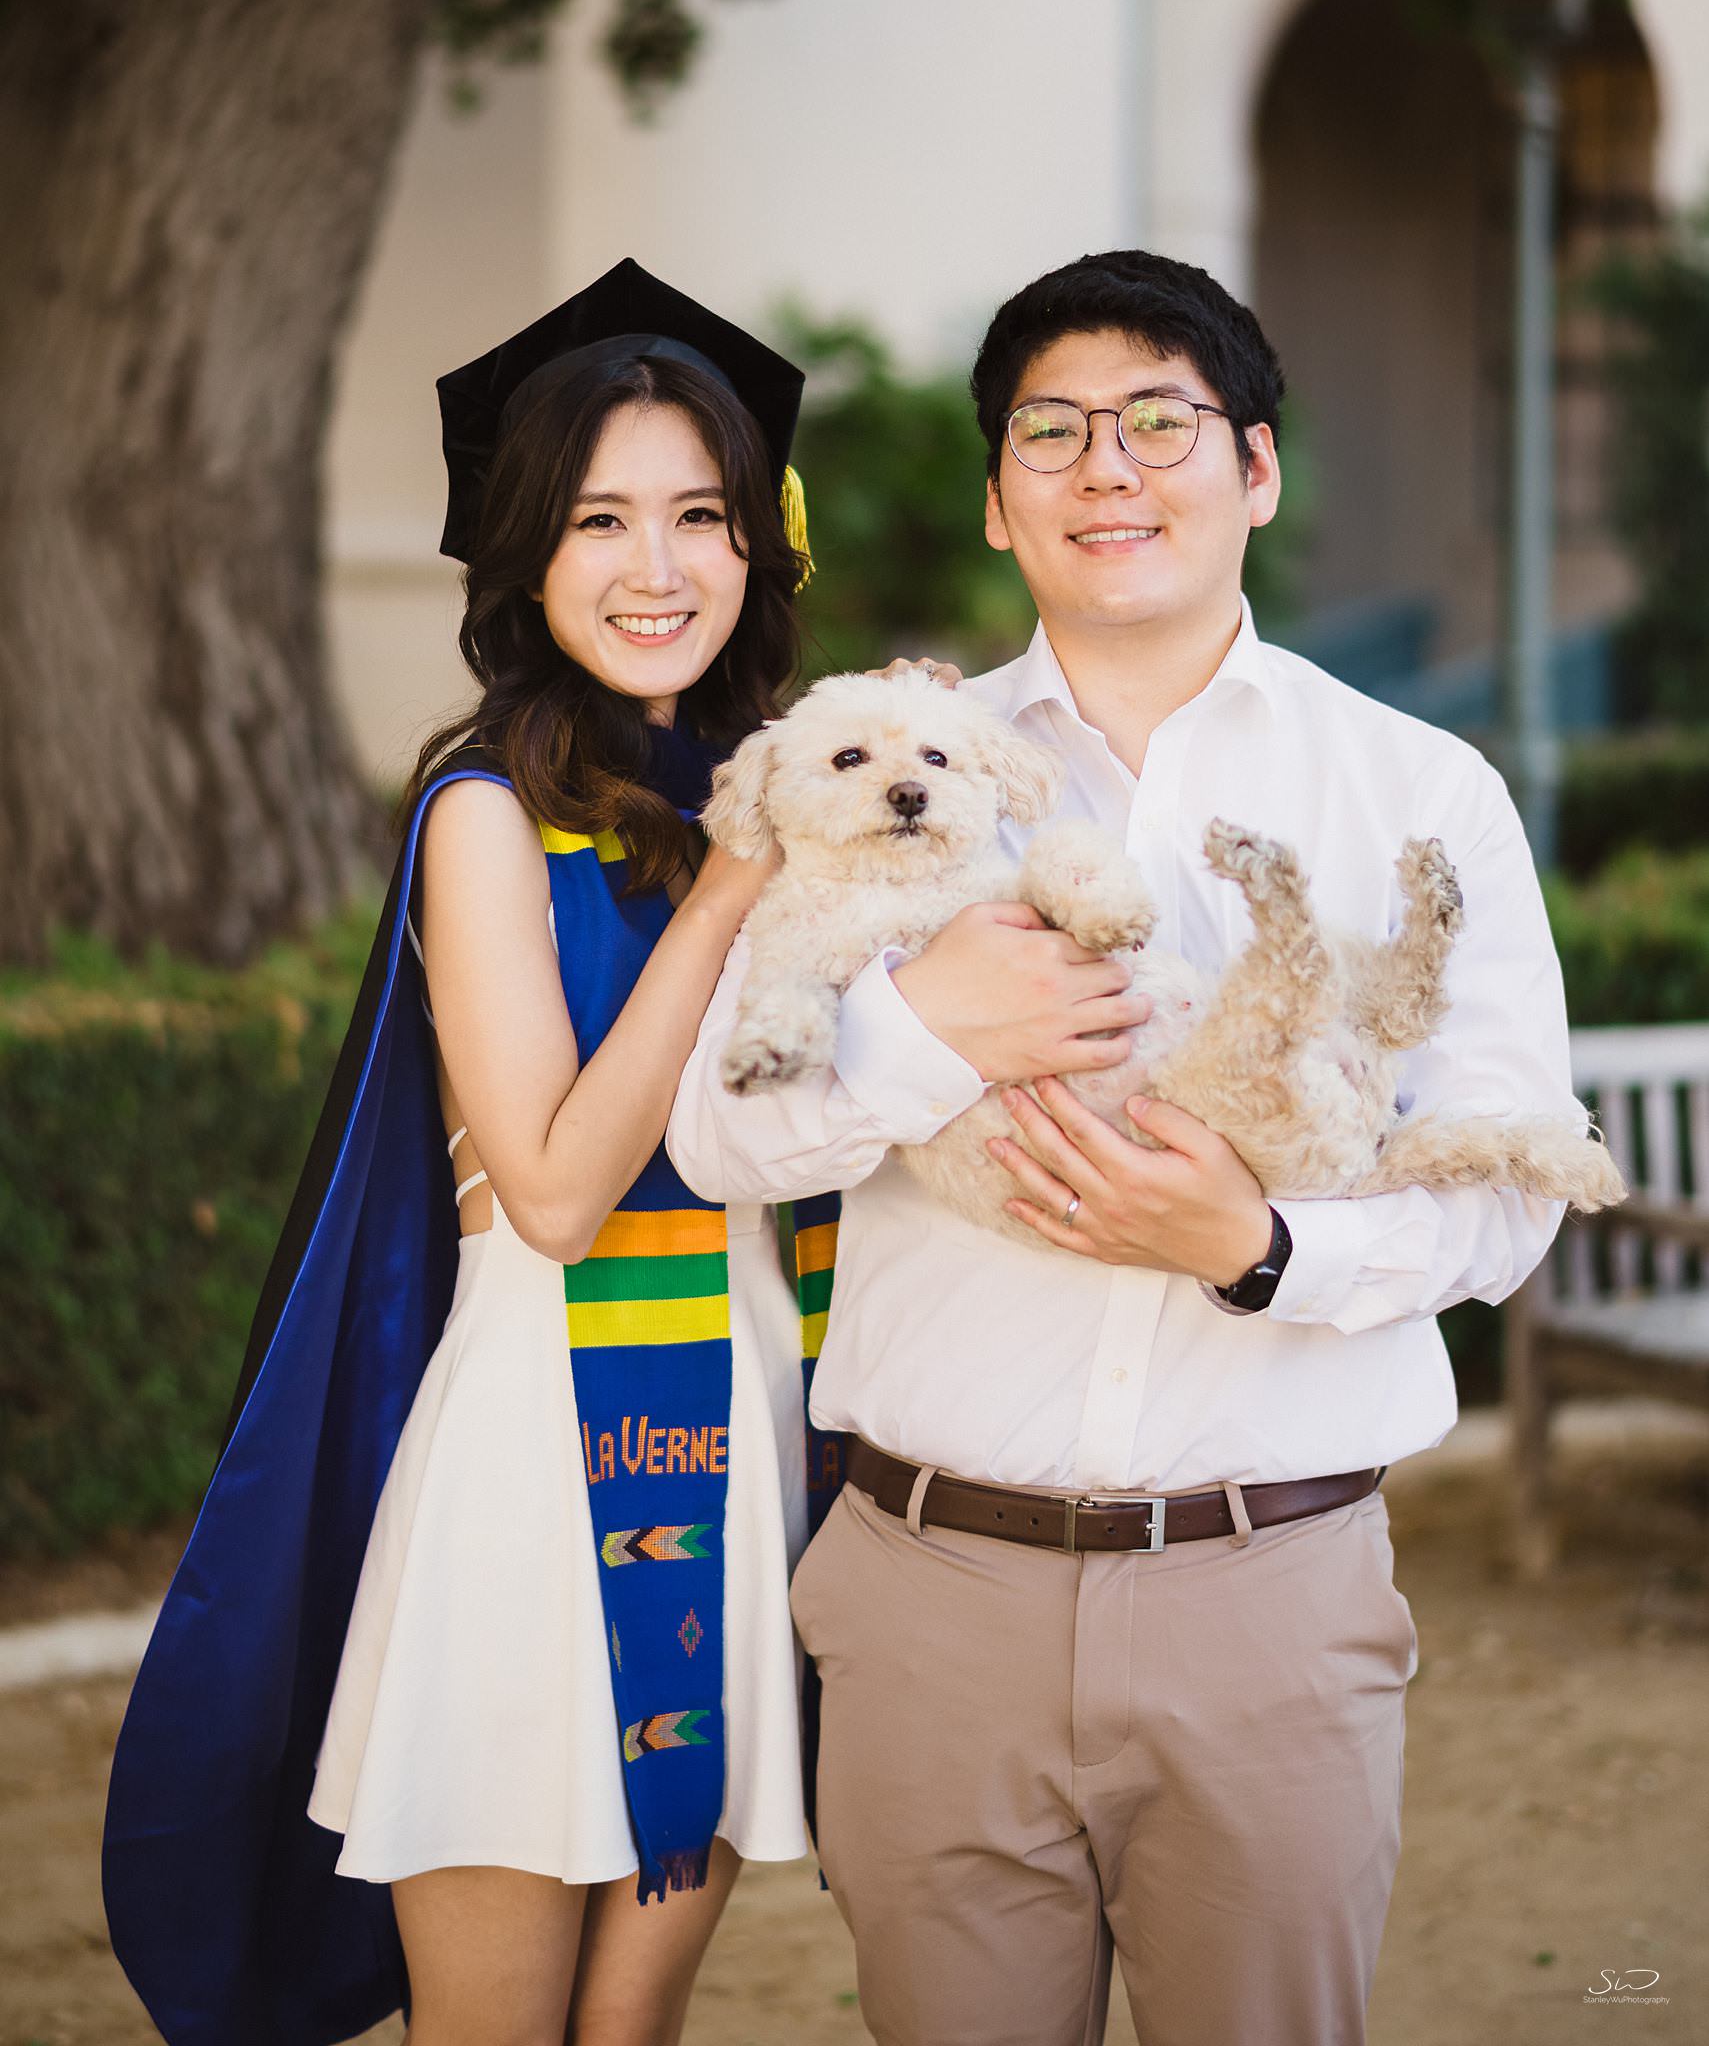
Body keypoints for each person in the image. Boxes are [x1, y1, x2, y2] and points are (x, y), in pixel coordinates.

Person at [668, 249, 1589, 2046]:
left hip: (1269, 1593)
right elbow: (716, 1138)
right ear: (997, 501)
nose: (1109, 467)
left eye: (1161, 421)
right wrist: (934, 1037)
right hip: (932, 1586)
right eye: (1054, 431)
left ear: (1252, 469)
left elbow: (1506, 1176)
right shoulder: (877, 761)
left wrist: (1252, 1245)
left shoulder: (1415, 790)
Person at [104, 260, 838, 2046]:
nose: (655, 567)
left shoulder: (807, 779)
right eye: (598, 519)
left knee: (632, 2036)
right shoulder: (486, 813)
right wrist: (739, 871)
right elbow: (563, 1190)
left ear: (759, 546)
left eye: (699, 517)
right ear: (520, 554)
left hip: (746, 1456)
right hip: (534, 1473)